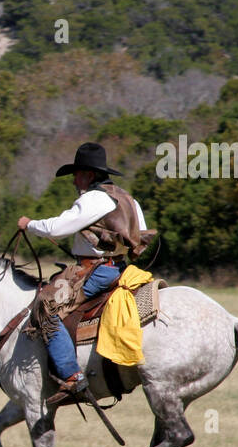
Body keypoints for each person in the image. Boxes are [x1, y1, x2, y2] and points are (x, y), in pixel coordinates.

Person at [17, 142, 155, 405]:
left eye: (76, 174)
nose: (74, 181)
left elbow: (57, 228)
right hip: (121, 268)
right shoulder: (128, 198)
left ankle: (72, 377)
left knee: (45, 307)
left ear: (89, 175)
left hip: (96, 270)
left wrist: (29, 224)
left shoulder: (93, 198)